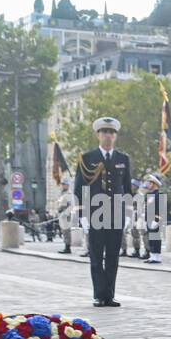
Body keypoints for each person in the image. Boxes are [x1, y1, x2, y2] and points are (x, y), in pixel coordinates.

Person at [74, 116, 132, 307]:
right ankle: (99, 295)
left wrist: (129, 214)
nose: (108, 136)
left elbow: (126, 189)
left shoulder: (123, 159)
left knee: (113, 256)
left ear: (115, 136)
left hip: (116, 214)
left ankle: (110, 295)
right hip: (95, 214)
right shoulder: (87, 158)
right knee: (97, 256)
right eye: (104, 132)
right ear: (98, 135)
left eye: (111, 132)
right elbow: (79, 189)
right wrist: (82, 216)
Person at [139, 173, 163, 263]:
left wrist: (156, 220)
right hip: (149, 219)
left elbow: (161, 209)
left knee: (155, 237)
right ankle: (153, 255)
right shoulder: (150, 195)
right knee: (151, 238)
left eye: (150, 183)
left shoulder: (159, 194)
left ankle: (157, 256)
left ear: (154, 184)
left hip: (155, 220)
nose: (148, 185)